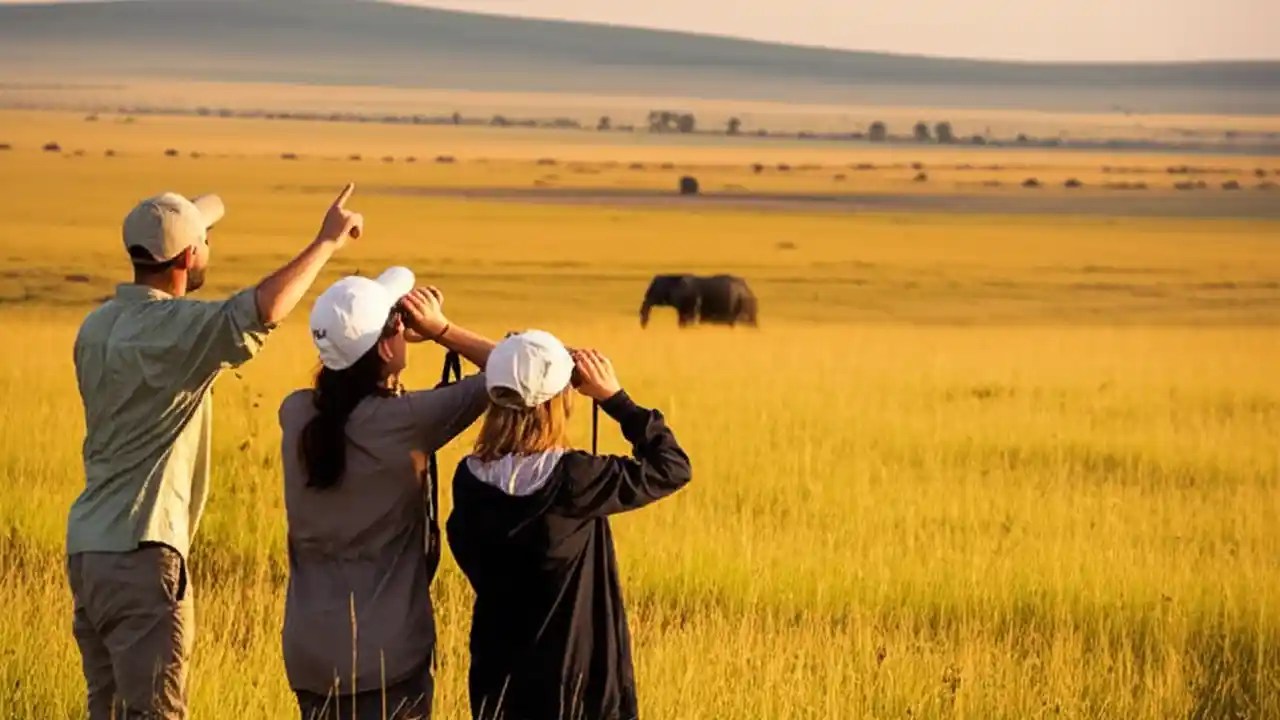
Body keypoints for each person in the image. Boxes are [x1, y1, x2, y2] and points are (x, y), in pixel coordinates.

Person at [67, 184, 365, 719]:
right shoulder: (178, 331)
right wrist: (326, 242)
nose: (209, 246)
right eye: (204, 239)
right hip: (143, 546)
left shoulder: (96, 327)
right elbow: (264, 308)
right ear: (187, 258)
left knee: (105, 710)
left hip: (88, 547)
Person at [279, 268, 498, 720]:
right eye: (397, 323)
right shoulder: (410, 422)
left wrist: (389, 339)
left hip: (310, 655)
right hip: (387, 660)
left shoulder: (297, 412)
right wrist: (440, 330)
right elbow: (518, 368)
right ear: (383, 346)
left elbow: (355, 402)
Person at [447, 331, 693, 720]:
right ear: (560, 401)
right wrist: (616, 400)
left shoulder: (469, 479)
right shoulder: (575, 478)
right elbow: (672, 467)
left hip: (497, 675)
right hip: (574, 680)